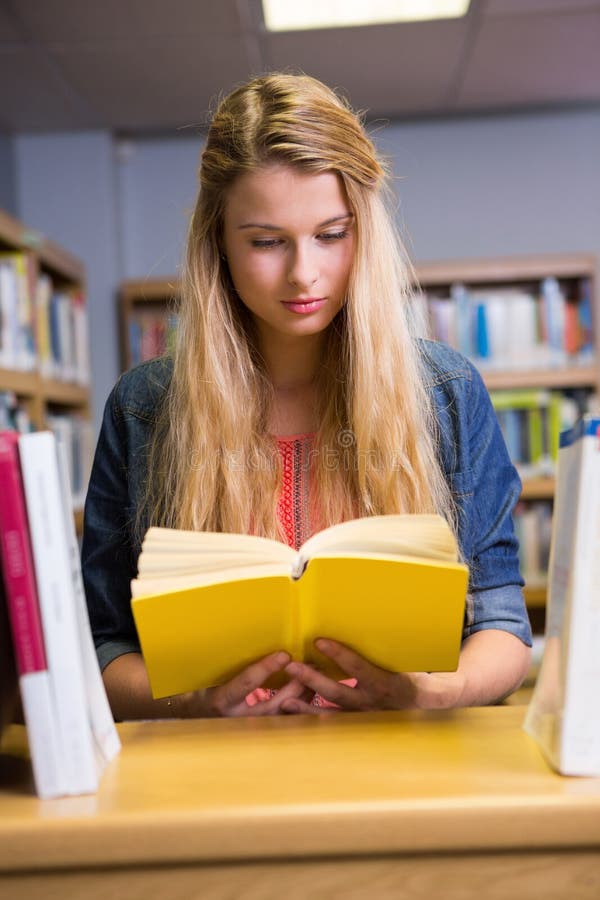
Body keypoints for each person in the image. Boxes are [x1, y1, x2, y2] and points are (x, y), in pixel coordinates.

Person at [82, 73, 532, 720]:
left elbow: (503, 625)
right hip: (211, 777)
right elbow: (101, 646)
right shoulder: (144, 409)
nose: (304, 272)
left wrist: (435, 690)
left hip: (400, 765)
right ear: (219, 244)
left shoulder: (446, 393)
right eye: (266, 241)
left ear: (366, 233)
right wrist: (189, 699)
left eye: (331, 234)